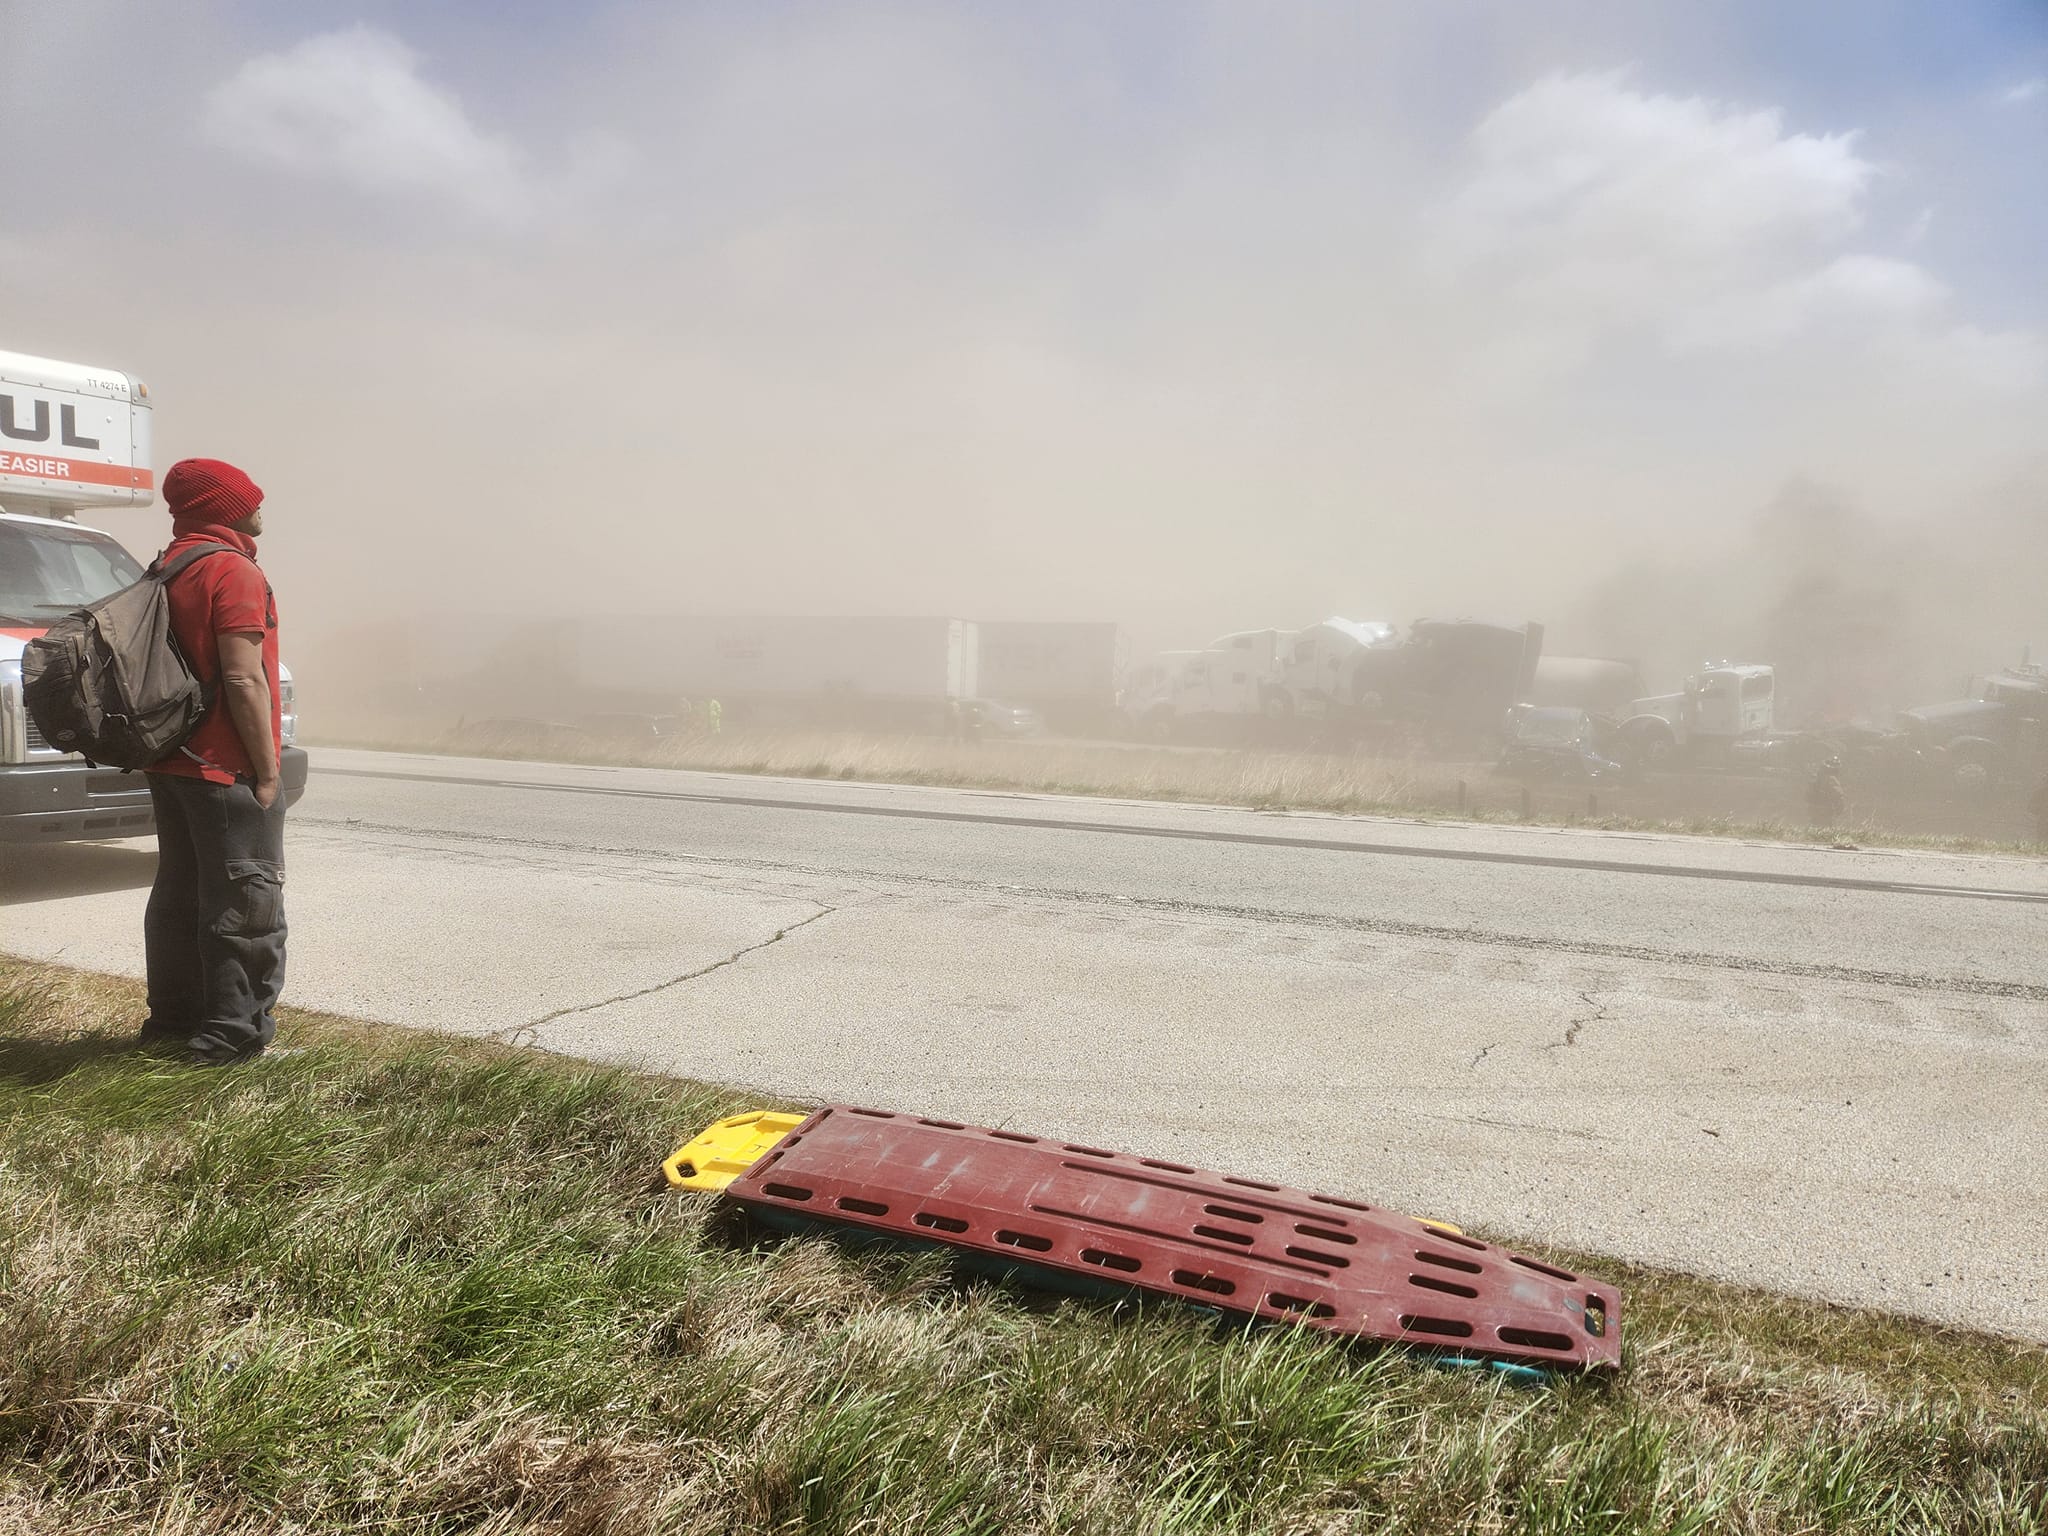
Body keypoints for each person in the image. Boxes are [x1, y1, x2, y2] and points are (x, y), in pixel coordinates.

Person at [137, 458, 288, 1068]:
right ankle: (231, 1038)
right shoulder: (232, 569)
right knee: (245, 900)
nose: (261, 507)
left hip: (171, 760)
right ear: (225, 508)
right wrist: (268, 768)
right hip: (224, 767)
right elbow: (242, 676)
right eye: (250, 498)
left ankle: (171, 1023)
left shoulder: (167, 566)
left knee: (179, 891)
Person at [1806, 756, 1846, 827]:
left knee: (1815, 830)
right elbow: (1839, 796)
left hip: (1813, 811)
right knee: (1826, 833)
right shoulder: (1831, 780)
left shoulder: (1816, 777)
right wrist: (1839, 810)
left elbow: (1807, 796)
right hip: (1826, 812)